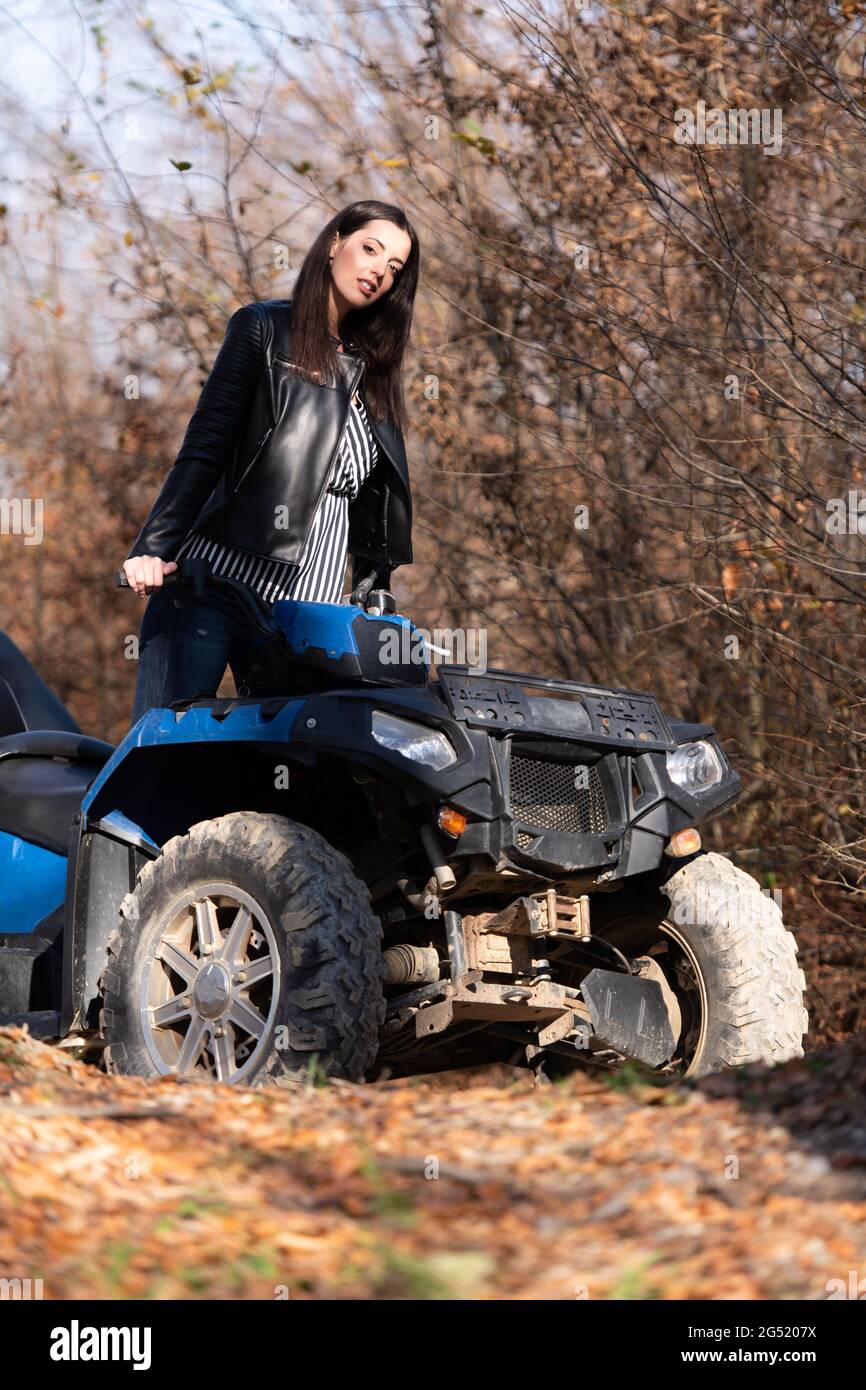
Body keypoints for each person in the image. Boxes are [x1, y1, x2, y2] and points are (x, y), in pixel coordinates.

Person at [123, 199, 418, 726]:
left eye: (394, 268)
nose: (380, 271)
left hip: (306, 619)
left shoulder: (377, 377)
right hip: (215, 587)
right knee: (163, 765)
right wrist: (152, 549)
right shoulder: (263, 329)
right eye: (371, 249)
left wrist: (373, 600)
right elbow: (205, 448)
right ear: (335, 244)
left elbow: (370, 512)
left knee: (285, 785)